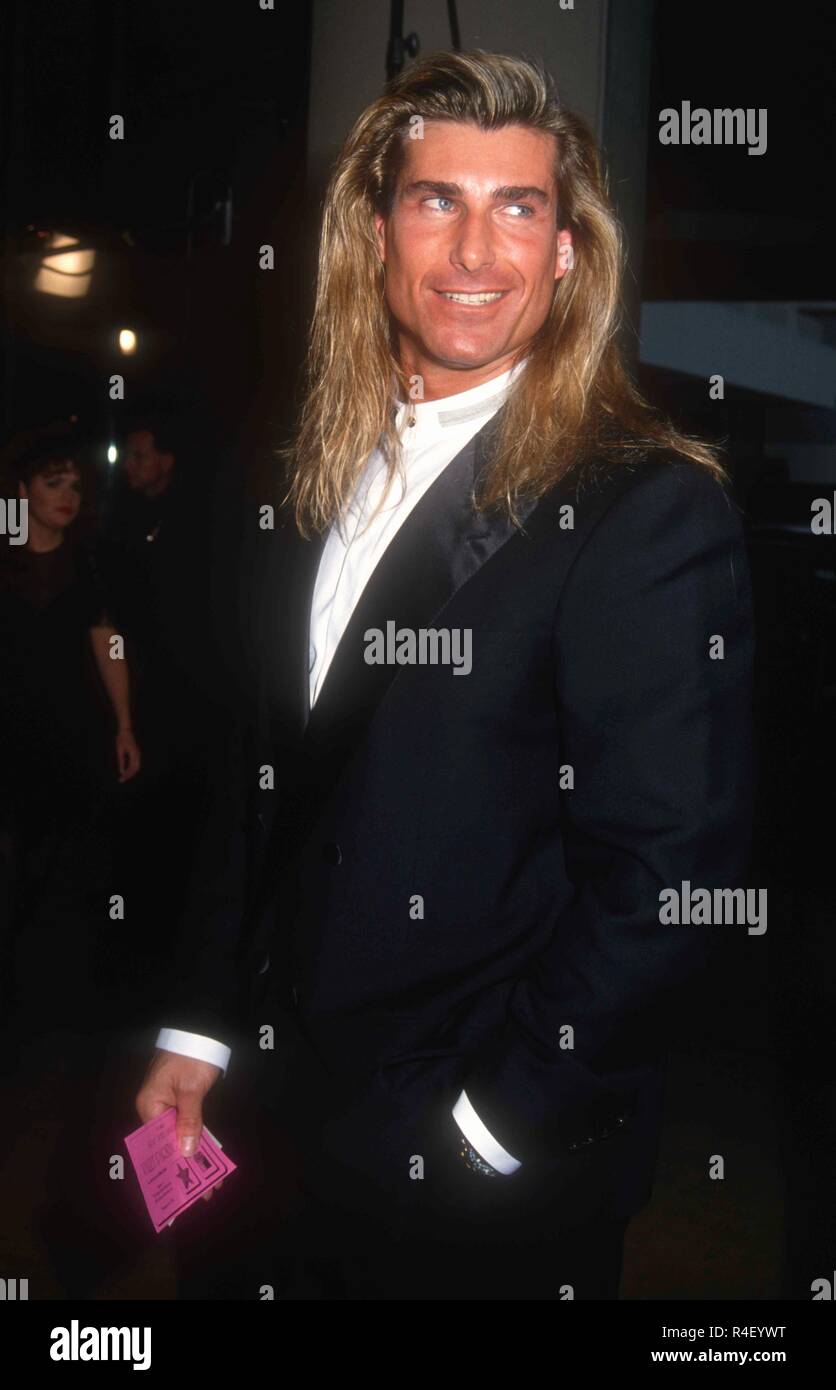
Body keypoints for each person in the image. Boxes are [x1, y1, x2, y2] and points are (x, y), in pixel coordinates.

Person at [135, 51, 755, 1300]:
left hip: (471, 1164)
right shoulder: (301, 476)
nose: (475, 251)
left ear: (568, 251)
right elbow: (260, 786)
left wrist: (498, 1119)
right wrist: (196, 1027)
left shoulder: (641, 504)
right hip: (271, 1114)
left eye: (517, 207)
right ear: (373, 235)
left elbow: (672, 873)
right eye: (435, 201)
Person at [0, 434, 141, 1021]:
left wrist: (125, 725)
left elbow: (108, 644)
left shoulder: (86, 559)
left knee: (63, 862)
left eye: (75, 485)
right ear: (22, 490)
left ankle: (49, 994)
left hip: (70, 731)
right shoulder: (4, 555)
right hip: (8, 733)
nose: (68, 496)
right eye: (53, 483)